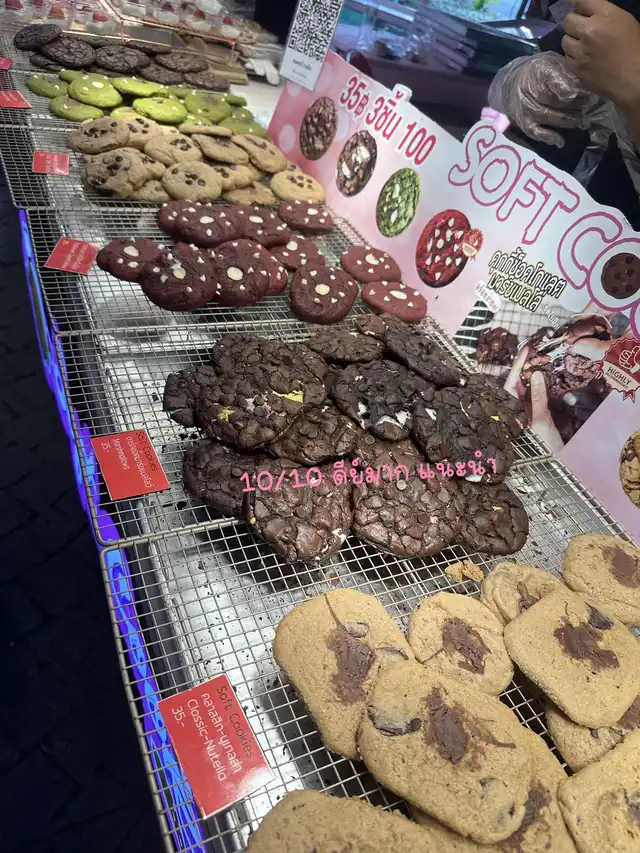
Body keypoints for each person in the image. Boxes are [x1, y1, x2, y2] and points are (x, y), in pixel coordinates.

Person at [488, 0, 640, 228]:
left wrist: (634, 84)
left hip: (615, 238)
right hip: (528, 212)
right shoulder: (617, 10)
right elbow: (498, 98)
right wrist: (514, 83)